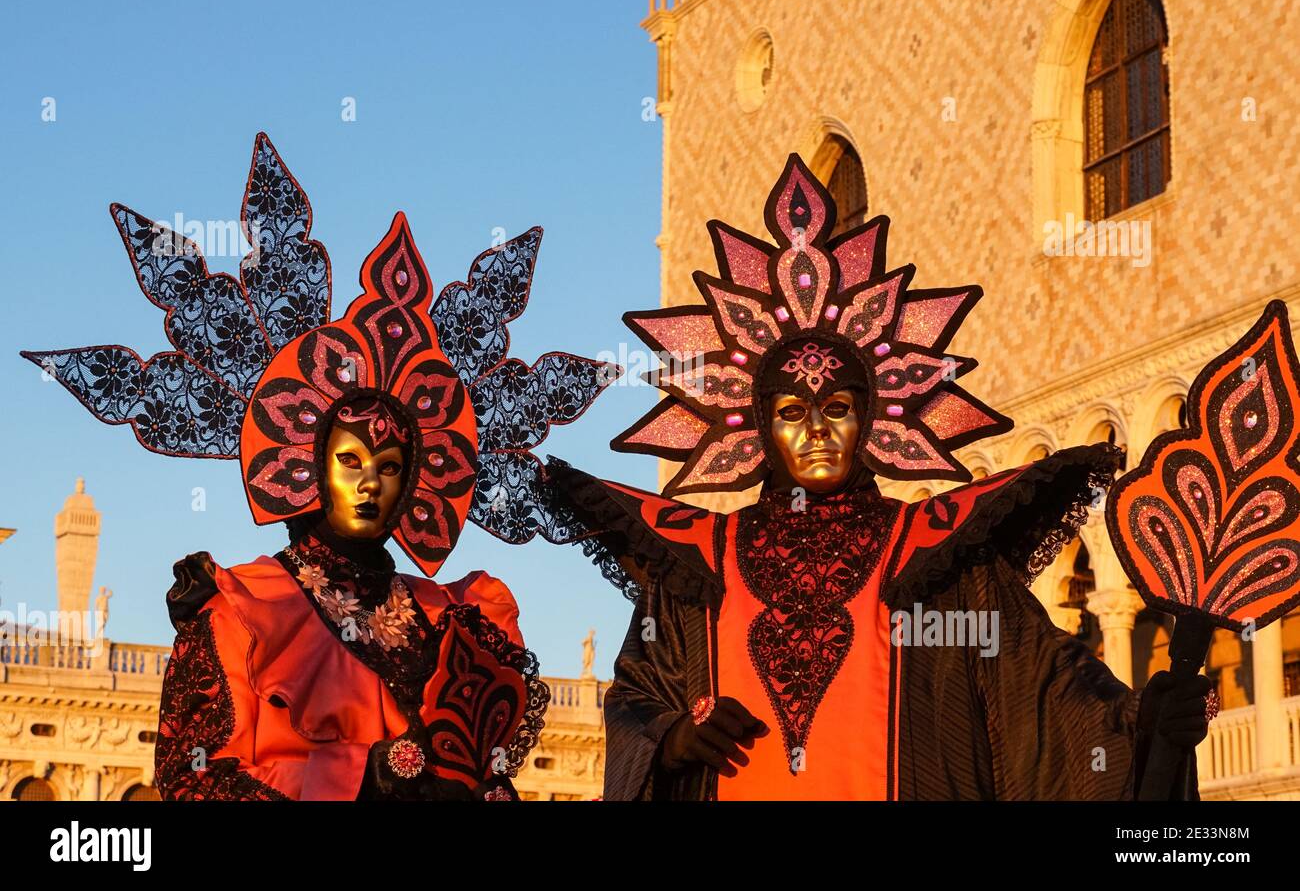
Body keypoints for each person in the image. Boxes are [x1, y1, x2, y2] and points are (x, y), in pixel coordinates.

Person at [549, 154, 1210, 800]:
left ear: (875, 419)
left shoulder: (942, 565)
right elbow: (638, 700)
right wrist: (672, 740)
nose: (815, 430)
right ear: (752, 429)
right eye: (789, 411)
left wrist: (1146, 731)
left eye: (837, 408)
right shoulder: (696, 575)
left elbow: (1046, 702)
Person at [23, 133, 616, 800]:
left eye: (390, 465)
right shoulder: (247, 609)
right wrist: (362, 780)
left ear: (418, 481)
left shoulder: (459, 620)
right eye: (352, 459)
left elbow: (487, 775)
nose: (370, 481)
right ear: (308, 461)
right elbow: (195, 781)